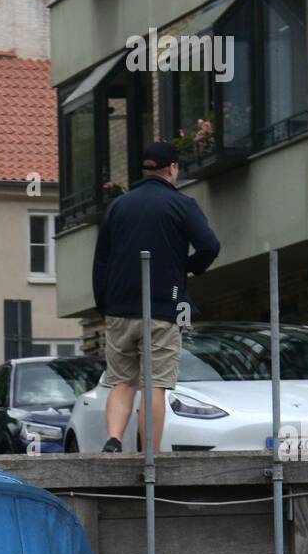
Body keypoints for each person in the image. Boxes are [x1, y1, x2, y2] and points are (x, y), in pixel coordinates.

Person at [92, 140, 220, 452]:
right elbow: (209, 246)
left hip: (119, 309)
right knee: (155, 385)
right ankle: (149, 454)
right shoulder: (182, 205)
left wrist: (104, 305)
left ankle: (113, 440)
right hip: (164, 309)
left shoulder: (118, 206)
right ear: (172, 169)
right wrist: (185, 269)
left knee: (121, 381)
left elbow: (101, 261)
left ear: (144, 169)